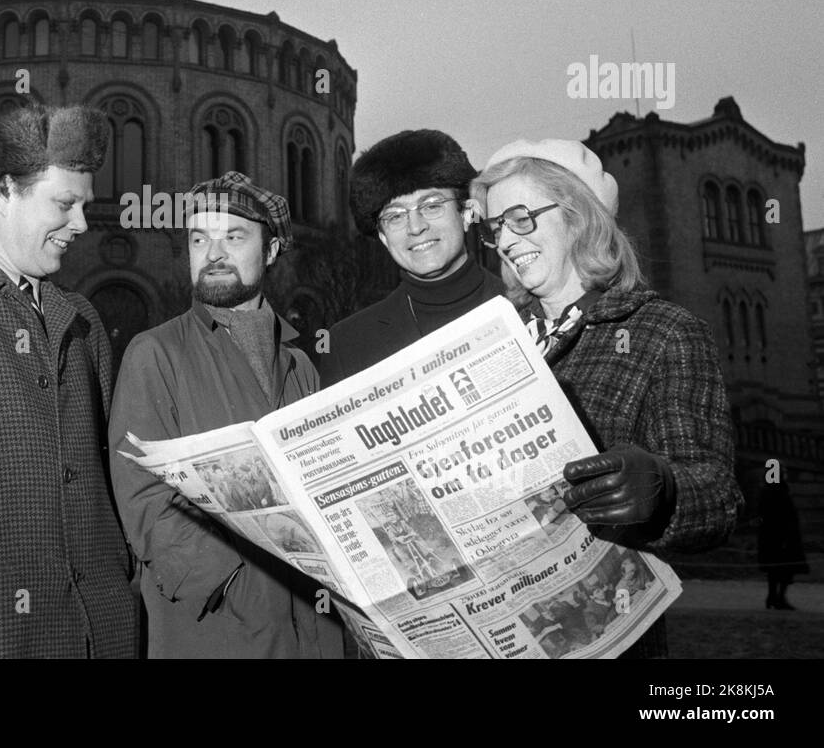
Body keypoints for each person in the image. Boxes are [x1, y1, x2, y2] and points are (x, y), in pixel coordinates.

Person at [473, 139, 741, 657]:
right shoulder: (495, 340)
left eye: (520, 218)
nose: (505, 239)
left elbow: (719, 496)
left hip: (603, 634)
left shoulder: (661, 331)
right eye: (495, 227)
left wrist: (664, 489)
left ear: (578, 216)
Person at [109, 172, 344, 658]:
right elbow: (143, 497)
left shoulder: (300, 364)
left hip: (313, 632)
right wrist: (241, 582)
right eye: (200, 239)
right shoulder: (154, 353)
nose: (213, 254)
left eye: (234, 237)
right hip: (218, 630)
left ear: (272, 250)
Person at [0, 104, 138, 658]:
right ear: (4, 190)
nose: (81, 225)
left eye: (85, 207)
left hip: (103, 629)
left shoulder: (82, 317)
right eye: (64, 204)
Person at [321, 130, 505, 387]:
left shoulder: (523, 310)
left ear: (465, 213)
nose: (415, 227)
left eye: (431, 206)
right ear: (383, 236)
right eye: (395, 216)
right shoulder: (348, 345)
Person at [758, 479, 808, 610]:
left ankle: (773, 596)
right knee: (785, 568)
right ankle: (778, 597)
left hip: (772, 538)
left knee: (774, 569)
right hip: (783, 537)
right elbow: (785, 516)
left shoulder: (767, 491)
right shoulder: (779, 492)